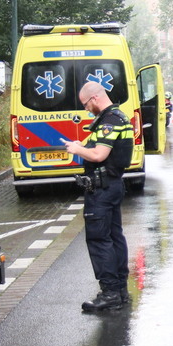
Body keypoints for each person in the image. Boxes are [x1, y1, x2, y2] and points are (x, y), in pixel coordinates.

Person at [65, 81, 134, 313]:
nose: (86, 109)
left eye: (86, 104)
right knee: (115, 237)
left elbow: (98, 154)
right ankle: (120, 289)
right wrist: (81, 145)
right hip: (112, 184)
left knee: (99, 240)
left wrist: (77, 150)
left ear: (94, 98)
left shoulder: (109, 121)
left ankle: (110, 293)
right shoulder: (118, 117)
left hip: (102, 190)